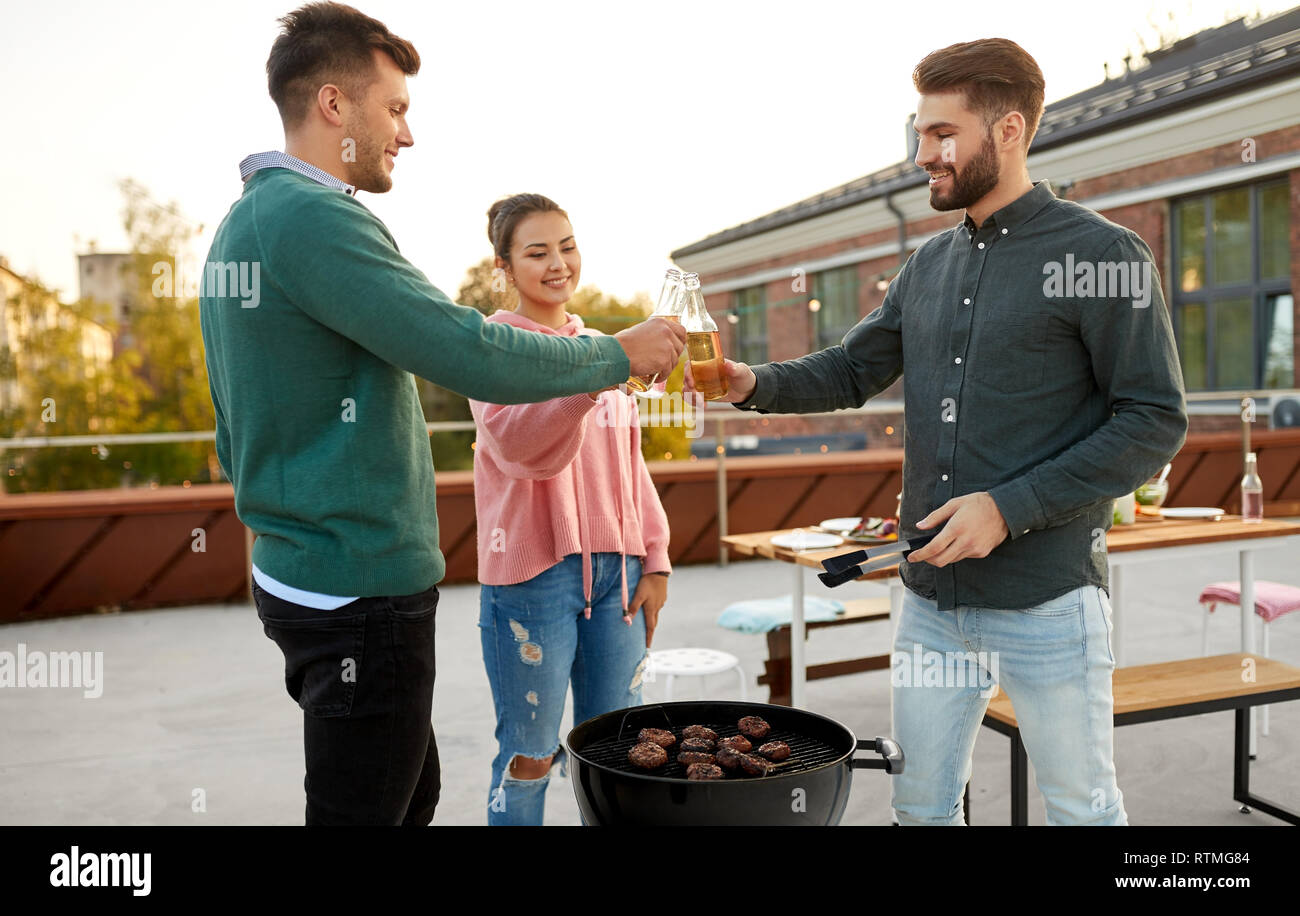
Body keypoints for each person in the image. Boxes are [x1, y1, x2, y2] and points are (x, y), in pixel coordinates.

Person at [198, 2, 684, 826]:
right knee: (370, 807)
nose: (407, 133)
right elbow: (464, 348)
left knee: (405, 791)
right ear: (332, 105)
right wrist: (616, 354)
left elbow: (232, 420)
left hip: (309, 570)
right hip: (355, 589)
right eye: (395, 109)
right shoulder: (312, 219)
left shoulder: (249, 221)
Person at [700, 38, 1187, 825]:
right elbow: (850, 370)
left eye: (941, 134)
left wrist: (1008, 506)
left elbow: (1153, 421)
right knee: (920, 808)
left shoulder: (1104, 254)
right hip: (928, 601)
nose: (922, 154)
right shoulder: (926, 267)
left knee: (1080, 811)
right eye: (919, 133)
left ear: (1009, 130)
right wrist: (748, 382)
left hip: (1049, 602)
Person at [469, 194, 672, 826]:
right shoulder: (492, 347)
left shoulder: (599, 347)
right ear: (504, 266)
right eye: (537, 252)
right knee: (530, 755)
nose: (558, 263)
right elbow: (523, 449)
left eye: (567, 246)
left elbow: (629, 461)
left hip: (620, 577)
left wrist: (656, 558)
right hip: (532, 581)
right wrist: (596, 374)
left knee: (618, 752)